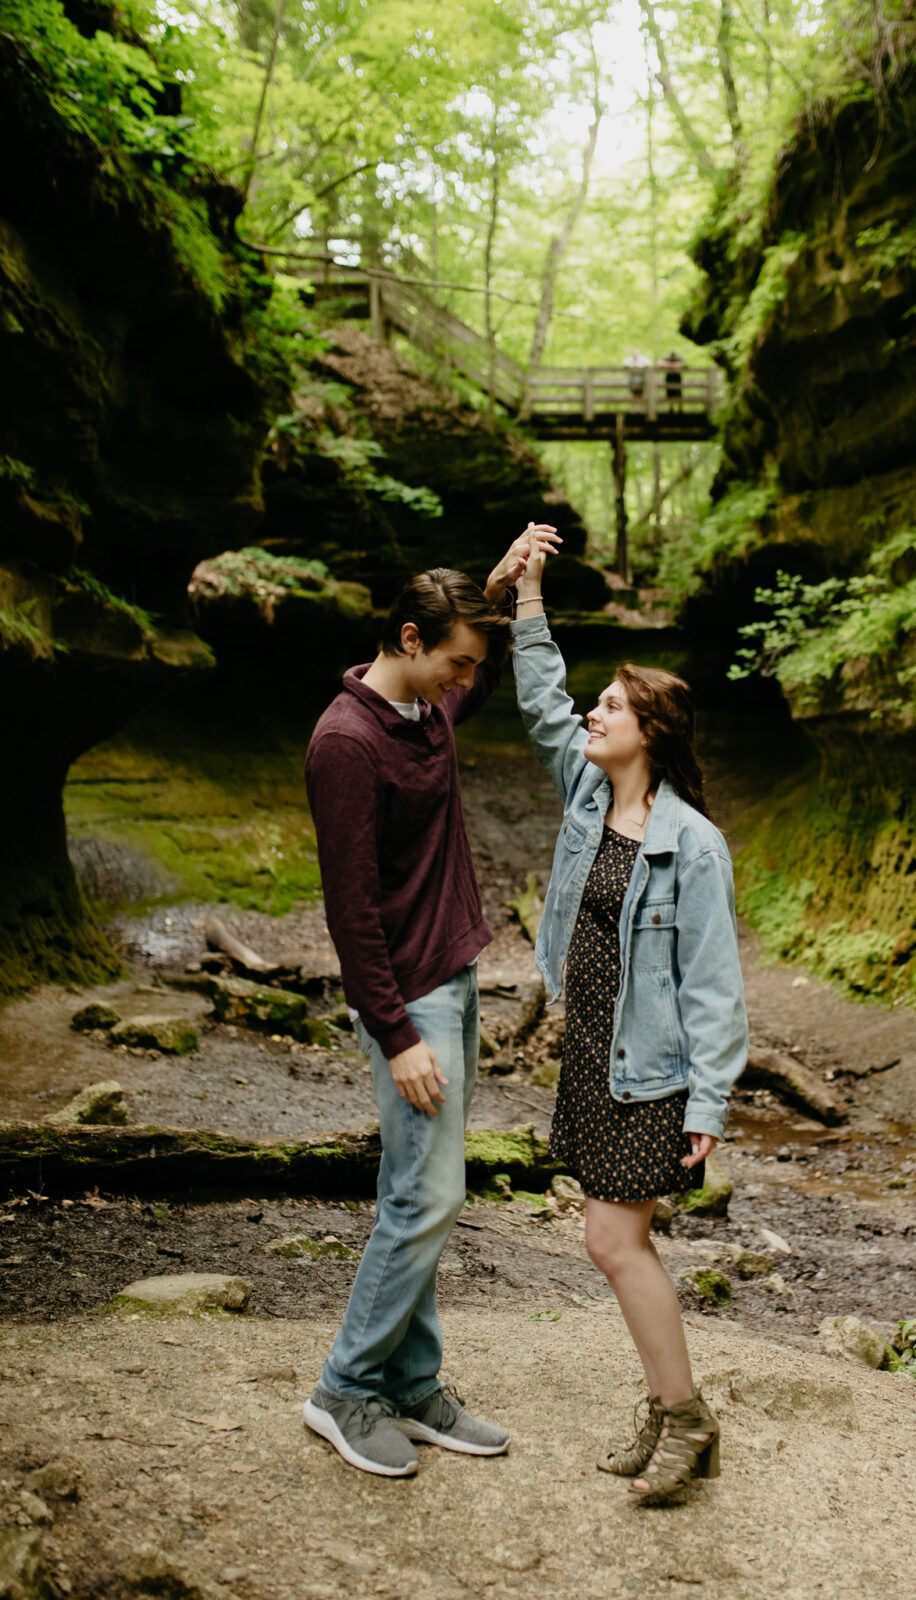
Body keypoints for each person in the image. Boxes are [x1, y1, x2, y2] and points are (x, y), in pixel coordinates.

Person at [302, 530, 560, 1478]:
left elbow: (474, 687)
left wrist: (499, 587)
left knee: (420, 1192)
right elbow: (349, 909)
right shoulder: (347, 742)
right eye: (453, 659)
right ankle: (344, 1389)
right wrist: (397, 1032)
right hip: (408, 997)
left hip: (450, 976)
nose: (465, 679)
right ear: (408, 639)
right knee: (428, 1196)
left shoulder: (425, 707)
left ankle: (411, 1385)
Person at [509, 528, 748, 1505]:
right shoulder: (586, 795)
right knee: (613, 1241)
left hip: (654, 1069)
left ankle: (685, 1419)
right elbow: (537, 696)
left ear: (649, 728)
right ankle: (667, 1409)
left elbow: (714, 980)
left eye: (608, 706)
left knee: (612, 1241)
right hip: (594, 1060)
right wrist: (526, 591)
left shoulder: (693, 843)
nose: (590, 716)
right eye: (595, 704)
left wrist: (710, 1100)